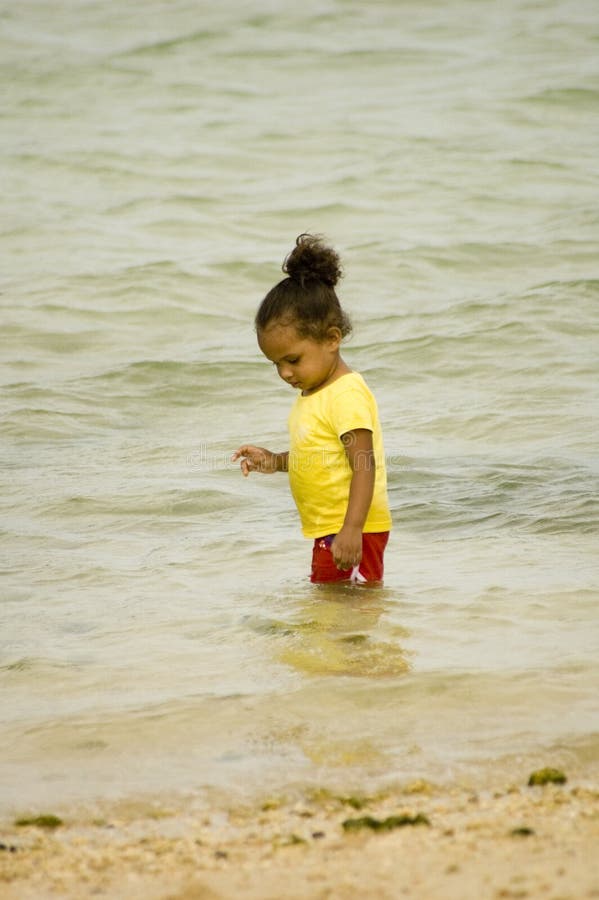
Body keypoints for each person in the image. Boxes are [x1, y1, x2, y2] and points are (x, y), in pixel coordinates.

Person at [232, 234, 392, 584]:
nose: (285, 373)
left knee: (338, 606)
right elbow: (320, 455)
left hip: (351, 528)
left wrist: (352, 528)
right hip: (336, 525)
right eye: (275, 364)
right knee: (337, 606)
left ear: (332, 339)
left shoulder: (345, 394)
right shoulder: (313, 394)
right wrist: (275, 461)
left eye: (292, 360)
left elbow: (364, 464)